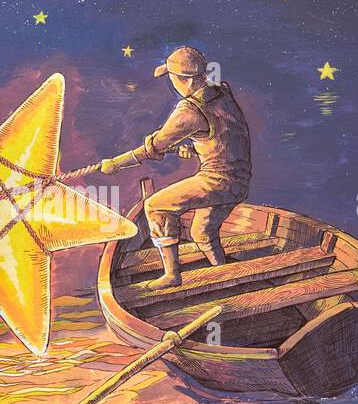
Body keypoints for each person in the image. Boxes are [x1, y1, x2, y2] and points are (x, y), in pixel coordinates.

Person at [100, 46, 252, 290]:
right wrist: (194, 149)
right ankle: (225, 274)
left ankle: (172, 275)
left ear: (184, 79)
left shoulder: (188, 110)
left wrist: (116, 164)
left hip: (217, 181)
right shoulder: (222, 92)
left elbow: (154, 147)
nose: (171, 84)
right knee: (202, 233)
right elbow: (225, 137)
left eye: (171, 78)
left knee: (155, 206)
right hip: (239, 184)